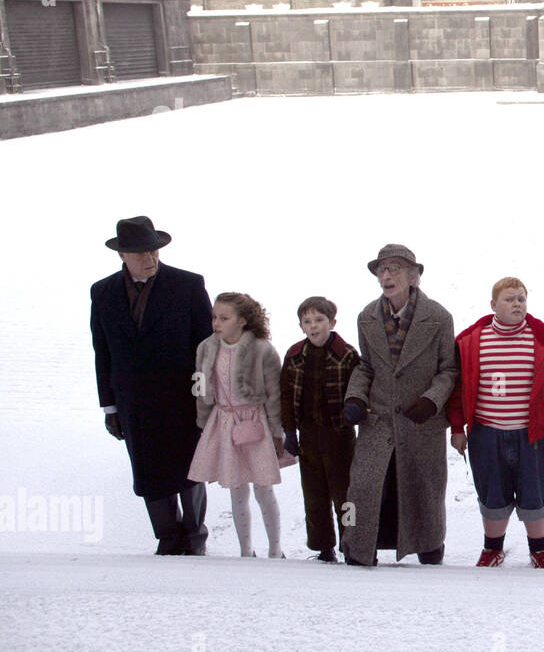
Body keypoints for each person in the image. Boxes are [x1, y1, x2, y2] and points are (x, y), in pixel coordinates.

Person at [91, 216, 212, 555]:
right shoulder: (102, 293)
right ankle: (168, 539)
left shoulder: (188, 284)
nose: (150, 258)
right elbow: (103, 352)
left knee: (190, 468)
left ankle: (195, 536)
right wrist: (110, 406)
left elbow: (206, 346)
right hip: (134, 402)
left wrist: (206, 399)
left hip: (183, 397)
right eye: (142, 252)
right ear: (122, 255)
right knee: (147, 470)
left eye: (154, 251)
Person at [447, 277, 544, 568]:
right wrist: (457, 428)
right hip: (486, 434)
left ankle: (539, 551)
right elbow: (458, 391)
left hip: (535, 435)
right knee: (492, 494)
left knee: (536, 494)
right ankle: (492, 549)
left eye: (521, 298)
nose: (517, 303)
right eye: (509, 299)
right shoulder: (471, 342)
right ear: (493, 305)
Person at [341, 245, 457, 567]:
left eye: (394, 269)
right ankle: (358, 546)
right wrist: (355, 397)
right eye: (381, 270)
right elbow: (366, 365)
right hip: (377, 420)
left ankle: (430, 547)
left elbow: (449, 370)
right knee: (364, 485)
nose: (386, 276)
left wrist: (431, 401)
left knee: (423, 488)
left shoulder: (439, 317)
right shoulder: (366, 316)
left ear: (413, 276)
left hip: (421, 422)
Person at [189, 292, 287, 558]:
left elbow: (274, 394)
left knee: (263, 489)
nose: (217, 323)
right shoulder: (206, 348)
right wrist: (203, 420)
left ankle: (275, 550)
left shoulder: (262, 349)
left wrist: (277, 431)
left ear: (243, 320)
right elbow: (200, 387)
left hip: (256, 424)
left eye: (224, 318)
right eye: (214, 318)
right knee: (236, 488)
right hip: (223, 424)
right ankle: (246, 551)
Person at [280, 296, 360, 563]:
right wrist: (289, 431)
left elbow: (359, 389)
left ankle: (352, 544)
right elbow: (285, 397)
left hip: (340, 436)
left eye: (319, 320)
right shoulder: (293, 356)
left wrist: (354, 412)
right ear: (301, 326)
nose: (313, 326)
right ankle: (323, 547)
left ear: (332, 322)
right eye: (307, 321)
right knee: (314, 496)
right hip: (309, 436)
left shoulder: (346, 354)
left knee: (345, 496)